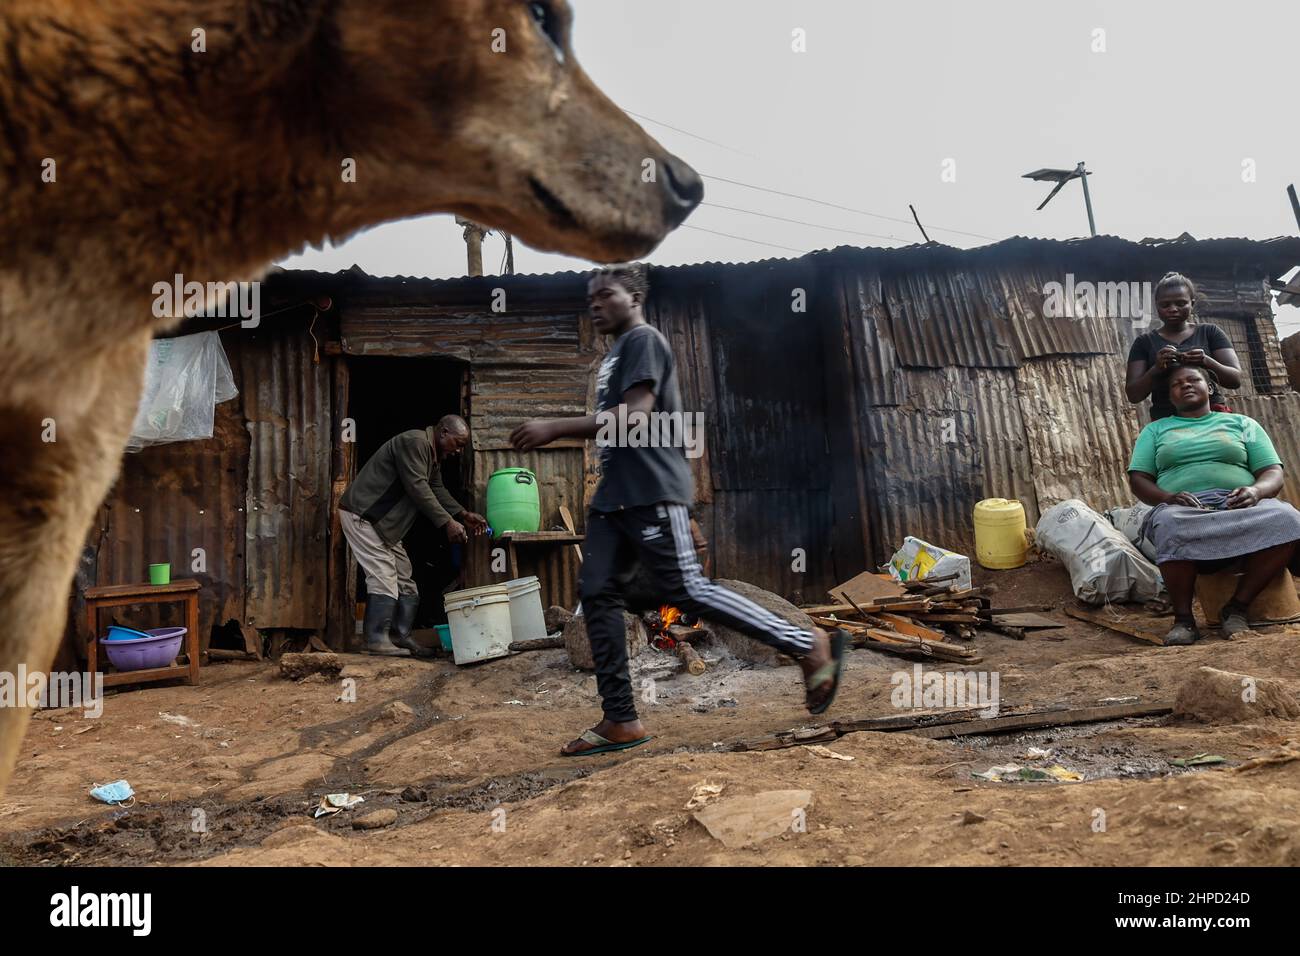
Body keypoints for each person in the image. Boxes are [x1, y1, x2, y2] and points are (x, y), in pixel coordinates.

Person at [510, 264, 845, 756]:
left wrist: (555, 426)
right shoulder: (616, 353)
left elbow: (635, 415)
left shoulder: (644, 341)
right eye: (591, 298)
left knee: (686, 590)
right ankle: (621, 718)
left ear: (636, 296)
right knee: (598, 595)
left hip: (650, 491)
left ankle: (806, 644)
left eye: (606, 295)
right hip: (614, 498)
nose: (596, 304)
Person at [1127, 365, 1300, 645]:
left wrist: (1256, 492)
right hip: (1185, 508)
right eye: (1176, 384)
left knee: (1288, 519)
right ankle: (1184, 620)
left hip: (1240, 503)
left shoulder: (1243, 424)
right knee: (1168, 523)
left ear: (1209, 388)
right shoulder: (1155, 430)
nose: (1185, 385)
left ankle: (1237, 608)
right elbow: (1139, 480)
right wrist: (1167, 498)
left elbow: (1272, 471)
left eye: (1193, 379)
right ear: (1170, 396)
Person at [339, 415, 487, 656]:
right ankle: (376, 640)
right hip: (364, 515)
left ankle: (400, 636)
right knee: (384, 574)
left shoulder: (432, 456)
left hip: (384, 525)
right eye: (458, 443)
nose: (459, 451)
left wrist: (462, 514)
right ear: (443, 433)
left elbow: (435, 489)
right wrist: (447, 523)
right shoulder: (415, 443)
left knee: (404, 576)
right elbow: (417, 487)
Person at [1125, 271, 1241, 420]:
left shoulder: (1210, 332)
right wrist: (1157, 369)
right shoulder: (1144, 343)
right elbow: (1133, 395)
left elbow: (1235, 380)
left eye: (1181, 303)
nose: (1173, 309)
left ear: (1192, 303)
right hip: (1167, 421)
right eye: (1165, 305)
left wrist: (1206, 361)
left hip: (1212, 416)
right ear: (1157, 306)